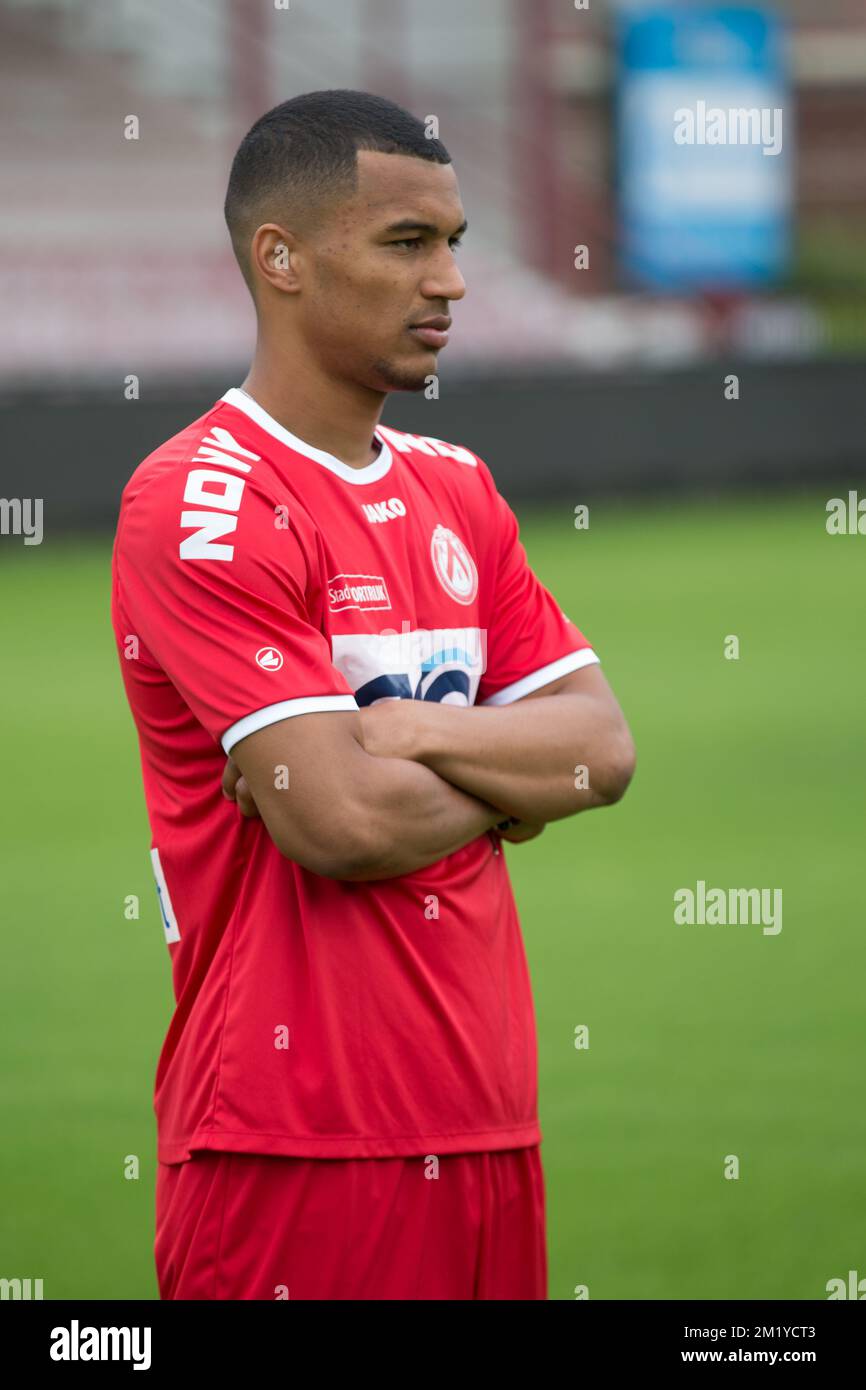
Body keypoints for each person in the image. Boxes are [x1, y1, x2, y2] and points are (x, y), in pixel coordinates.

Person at [110, 89, 636, 1301]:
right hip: (293, 1146)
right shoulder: (203, 498)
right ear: (279, 259)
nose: (449, 280)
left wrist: (406, 731)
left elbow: (602, 753)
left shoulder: (459, 485)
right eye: (407, 243)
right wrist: (507, 768)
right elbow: (339, 822)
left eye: (452, 242)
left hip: (491, 1123)